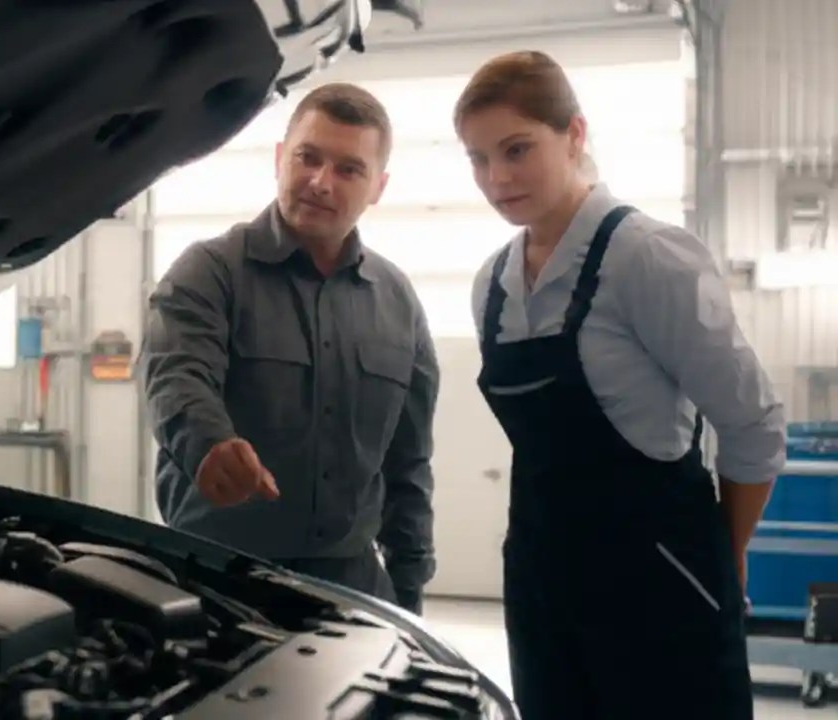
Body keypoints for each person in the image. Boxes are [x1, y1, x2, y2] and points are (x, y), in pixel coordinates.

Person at [455, 50, 784, 719]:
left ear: (574, 135)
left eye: (517, 149)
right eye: (478, 158)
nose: (497, 178)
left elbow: (753, 424)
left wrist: (727, 555)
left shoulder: (647, 258)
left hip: (663, 584)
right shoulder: (491, 285)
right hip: (543, 584)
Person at [142, 83, 439, 614]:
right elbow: (177, 377)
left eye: (350, 169)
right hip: (219, 582)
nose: (321, 182)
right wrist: (208, 443)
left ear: (378, 187)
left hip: (354, 588)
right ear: (281, 158)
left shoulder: (398, 300)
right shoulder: (209, 272)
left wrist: (408, 590)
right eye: (308, 157)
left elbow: (408, 464)